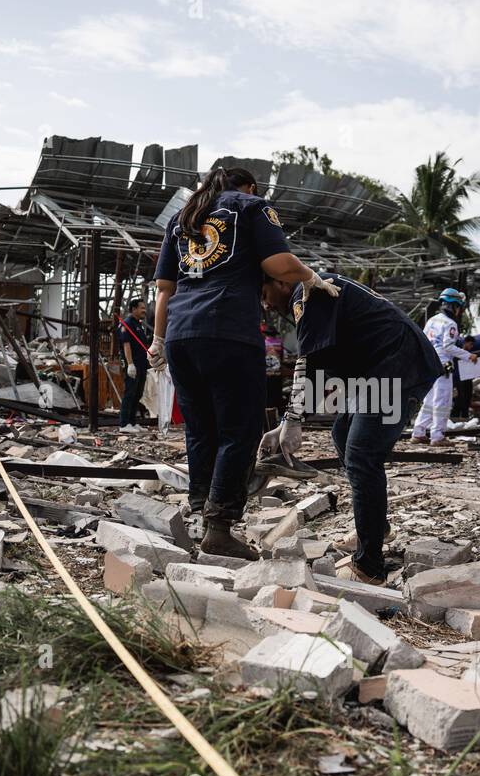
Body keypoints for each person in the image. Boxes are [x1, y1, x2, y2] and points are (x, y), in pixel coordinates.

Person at [149, 165, 336, 559]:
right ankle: (219, 528)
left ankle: (200, 516)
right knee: (239, 430)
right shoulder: (252, 206)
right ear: (249, 185)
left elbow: (164, 289)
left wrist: (158, 339)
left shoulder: (184, 218)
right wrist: (311, 277)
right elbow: (278, 264)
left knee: (201, 430)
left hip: (181, 333)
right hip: (227, 329)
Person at [260, 272, 442, 584]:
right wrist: (287, 422)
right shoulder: (314, 290)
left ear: (280, 281)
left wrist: (292, 420)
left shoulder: (306, 293)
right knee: (342, 435)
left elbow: (308, 362)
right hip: (378, 370)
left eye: (263, 293)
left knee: (361, 453)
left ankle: (370, 566)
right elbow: (318, 365)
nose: (264, 303)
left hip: (399, 364)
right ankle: (376, 527)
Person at [411, 288, 478, 445]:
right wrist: (469, 356)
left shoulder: (432, 320)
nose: (459, 310)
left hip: (430, 365)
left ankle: (418, 432)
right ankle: (437, 436)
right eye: (459, 307)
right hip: (443, 367)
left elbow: (425, 342)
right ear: (454, 306)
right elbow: (448, 346)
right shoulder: (450, 324)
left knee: (428, 401)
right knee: (442, 402)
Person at [117, 297, 150, 431]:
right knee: (130, 393)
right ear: (134, 309)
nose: (144, 310)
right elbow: (126, 345)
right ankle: (124, 424)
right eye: (142, 308)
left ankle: (132, 422)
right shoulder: (127, 324)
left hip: (141, 364)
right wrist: (130, 364)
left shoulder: (138, 324)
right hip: (133, 365)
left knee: (138, 393)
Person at [451, 336, 477, 421]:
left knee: (467, 402)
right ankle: (454, 422)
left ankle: (465, 423)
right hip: (459, 381)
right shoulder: (458, 354)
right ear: (465, 342)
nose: (471, 346)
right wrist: (454, 384)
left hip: (468, 381)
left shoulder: (471, 355)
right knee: (458, 403)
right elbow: (454, 369)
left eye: (472, 345)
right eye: (470, 344)